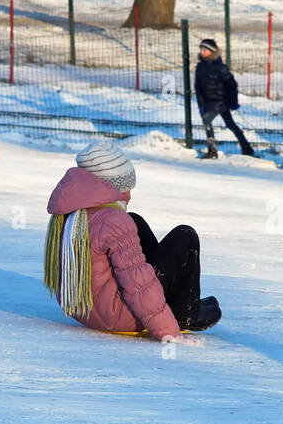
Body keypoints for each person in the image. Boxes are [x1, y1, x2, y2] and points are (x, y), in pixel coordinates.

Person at [43, 141, 219, 339]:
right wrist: (168, 331)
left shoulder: (71, 214)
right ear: (112, 186)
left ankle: (174, 302)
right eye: (126, 187)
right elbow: (139, 283)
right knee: (185, 236)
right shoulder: (113, 221)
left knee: (135, 221)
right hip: (119, 315)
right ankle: (184, 314)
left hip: (84, 309)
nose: (129, 195)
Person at [194, 38, 254, 159]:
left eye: (205, 49)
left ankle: (212, 151)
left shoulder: (220, 67)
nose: (202, 51)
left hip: (220, 102)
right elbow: (198, 86)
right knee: (230, 124)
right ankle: (247, 148)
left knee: (207, 121)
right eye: (201, 49)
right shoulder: (200, 67)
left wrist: (234, 102)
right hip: (209, 102)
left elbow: (232, 85)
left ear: (212, 51)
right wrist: (201, 104)